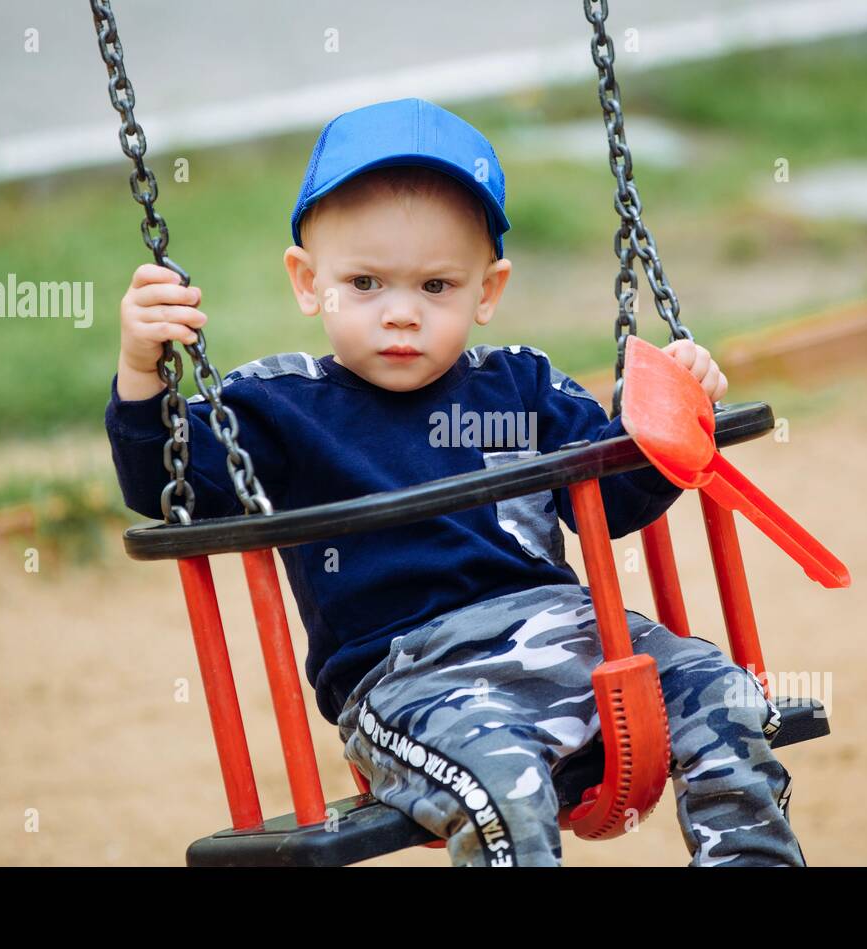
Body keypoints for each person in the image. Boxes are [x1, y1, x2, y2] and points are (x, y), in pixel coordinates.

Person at [105, 97, 804, 867]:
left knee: (728, 695)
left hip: (577, 640)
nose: (401, 314)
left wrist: (676, 411)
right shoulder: (278, 407)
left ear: (486, 291)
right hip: (411, 684)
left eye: (435, 287)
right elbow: (163, 479)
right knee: (505, 789)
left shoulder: (523, 385)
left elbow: (617, 500)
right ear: (309, 283)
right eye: (365, 283)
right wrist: (143, 370)